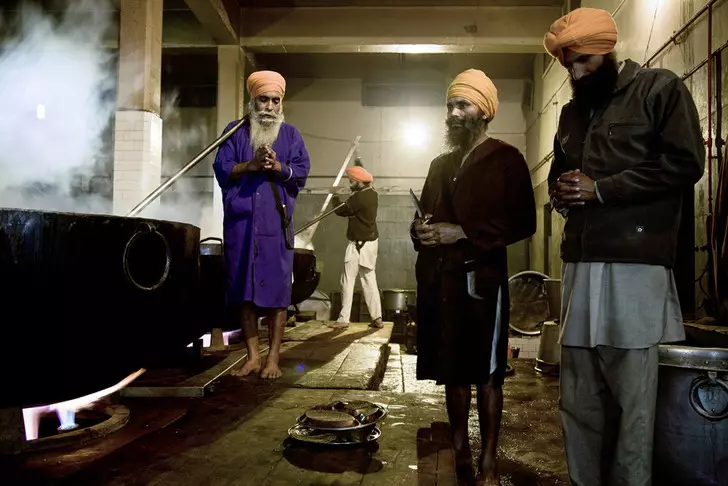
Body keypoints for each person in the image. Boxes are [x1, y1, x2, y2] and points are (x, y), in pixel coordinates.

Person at [544, 8, 705, 485]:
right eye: (568, 64)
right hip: (581, 271)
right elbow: (560, 172)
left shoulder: (659, 89)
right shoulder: (572, 114)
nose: (574, 72)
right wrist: (561, 190)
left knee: (633, 403)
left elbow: (684, 163)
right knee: (577, 400)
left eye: (582, 63)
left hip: (635, 267)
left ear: (606, 51)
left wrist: (603, 189)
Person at [411, 69, 536, 485]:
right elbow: (426, 215)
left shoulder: (507, 159)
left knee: (486, 373)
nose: (453, 113)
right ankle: (461, 450)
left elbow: (523, 222)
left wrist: (462, 232)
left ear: (484, 111)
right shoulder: (440, 164)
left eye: (463, 105)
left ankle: (489, 460)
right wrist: (422, 231)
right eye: (450, 105)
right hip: (443, 281)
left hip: (482, 283)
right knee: (452, 368)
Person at [213, 70, 311, 380]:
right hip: (241, 227)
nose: (268, 106)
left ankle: (273, 359)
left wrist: (278, 166)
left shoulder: (292, 135)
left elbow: (303, 172)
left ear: (282, 104)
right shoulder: (234, 132)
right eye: (263, 99)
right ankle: (253, 357)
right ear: (252, 101)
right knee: (245, 293)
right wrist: (251, 165)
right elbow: (222, 167)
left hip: (275, 227)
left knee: (277, 296)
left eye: (274, 100)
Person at [329, 162, 383, 330]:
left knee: (348, 281)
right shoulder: (372, 193)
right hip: (367, 243)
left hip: (360, 244)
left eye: (352, 181)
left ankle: (344, 319)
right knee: (369, 281)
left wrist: (334, 195)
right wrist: (358, 164)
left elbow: (341, 210)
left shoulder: (359, 198)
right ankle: (377, 318)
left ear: (359, 182)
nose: (350, 183)